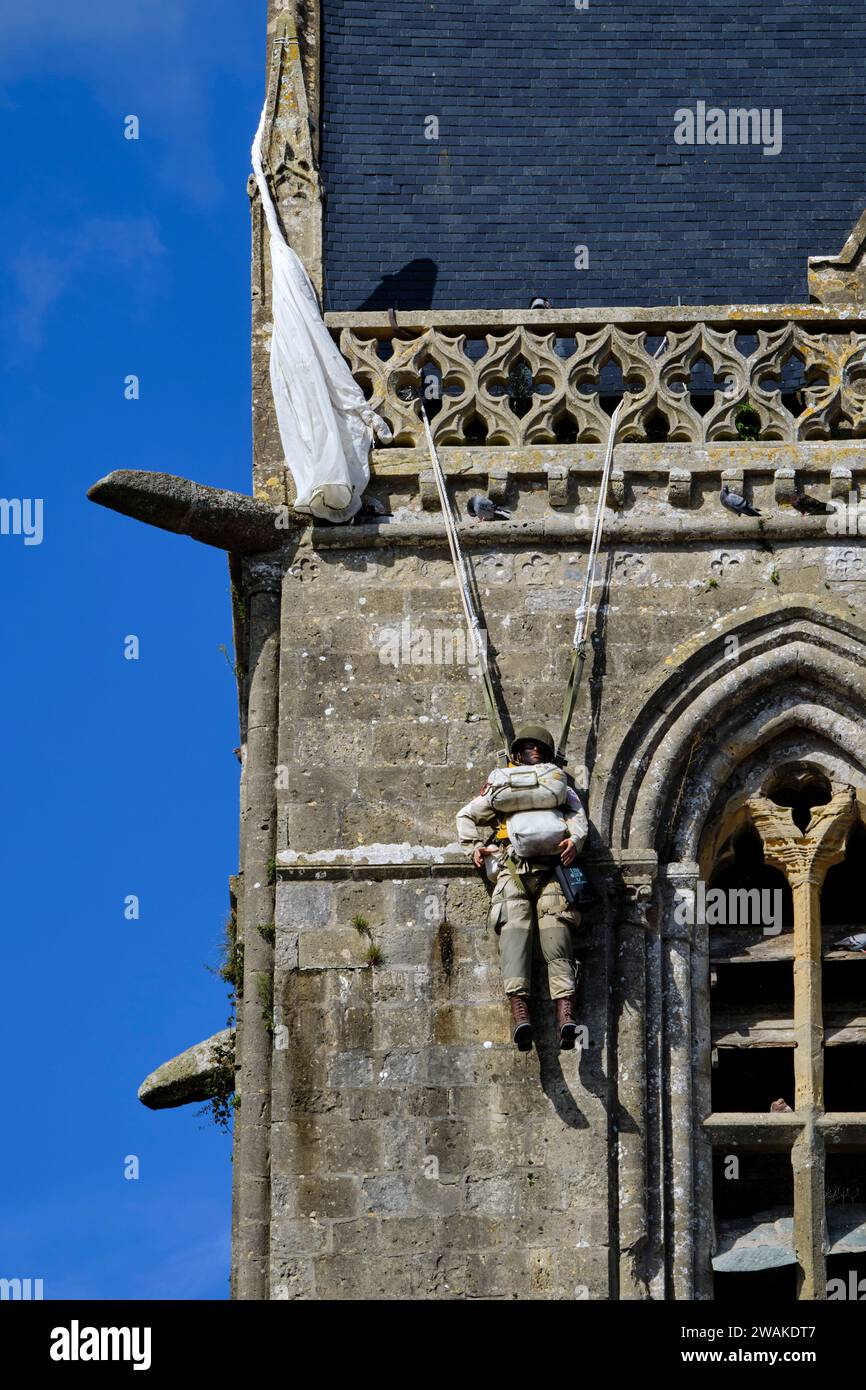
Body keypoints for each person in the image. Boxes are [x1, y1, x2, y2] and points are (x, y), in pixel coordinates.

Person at [455, 724, 588, 1051]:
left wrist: (576, 840)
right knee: (515, 938)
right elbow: (467, 815)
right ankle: (520, 1014)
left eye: (539, 746)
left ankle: (565, 1014)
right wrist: (475, 847)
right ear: (517, 753)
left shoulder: (557, 783)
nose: (535, 751)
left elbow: (577, 816)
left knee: (557, 936)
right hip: (510, 867)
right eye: (529, 746)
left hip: (553, 870)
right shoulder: (503, 784)